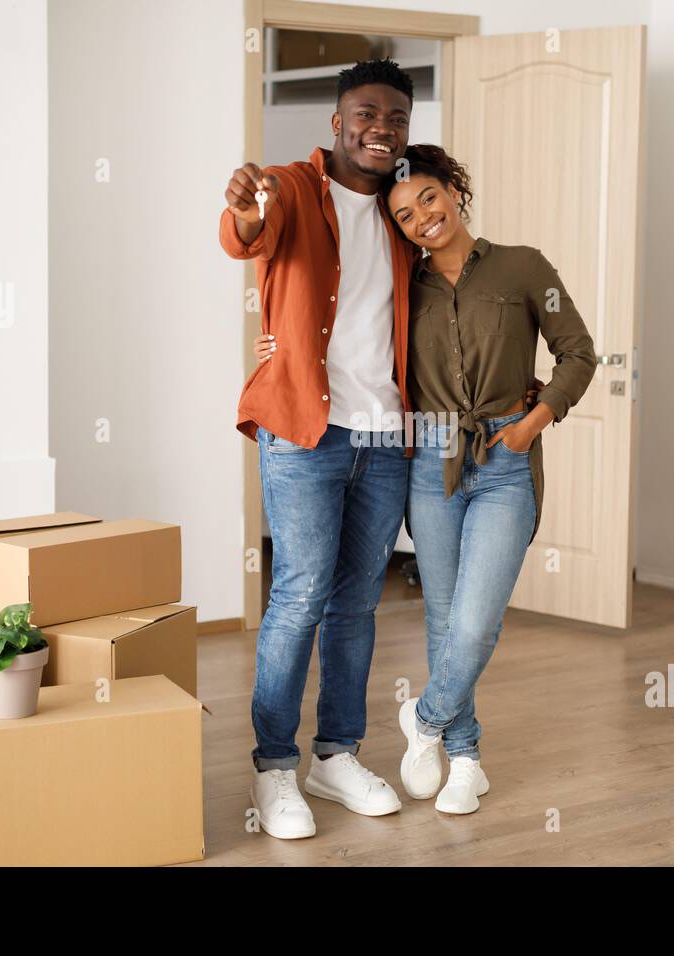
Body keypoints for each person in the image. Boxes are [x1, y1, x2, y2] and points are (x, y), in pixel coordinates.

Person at [254, 144, 597, 814]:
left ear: (456, 191)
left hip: (504, 457)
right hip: (427, 457)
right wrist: (278, 347)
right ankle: (465, 759)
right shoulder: (401, 283)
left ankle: (427, 719)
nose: (422, 219)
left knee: (475, 622)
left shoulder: (526, 267)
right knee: (442, 619)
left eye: (430, 199)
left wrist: (535, 419)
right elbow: (351, 336)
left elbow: (578, 351)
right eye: (405, 214)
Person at [219, 59, 418, 840]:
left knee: (357, 603)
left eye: (397, 118)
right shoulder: (291, 187)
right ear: (337, 122)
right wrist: (240, 212)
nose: (382, 127)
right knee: (300, 594)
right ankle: (274, 769)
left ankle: (335, 756)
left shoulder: (403, 210)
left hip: (385, 434)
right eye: (367, 113)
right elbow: (247, 234)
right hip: (305, 429)